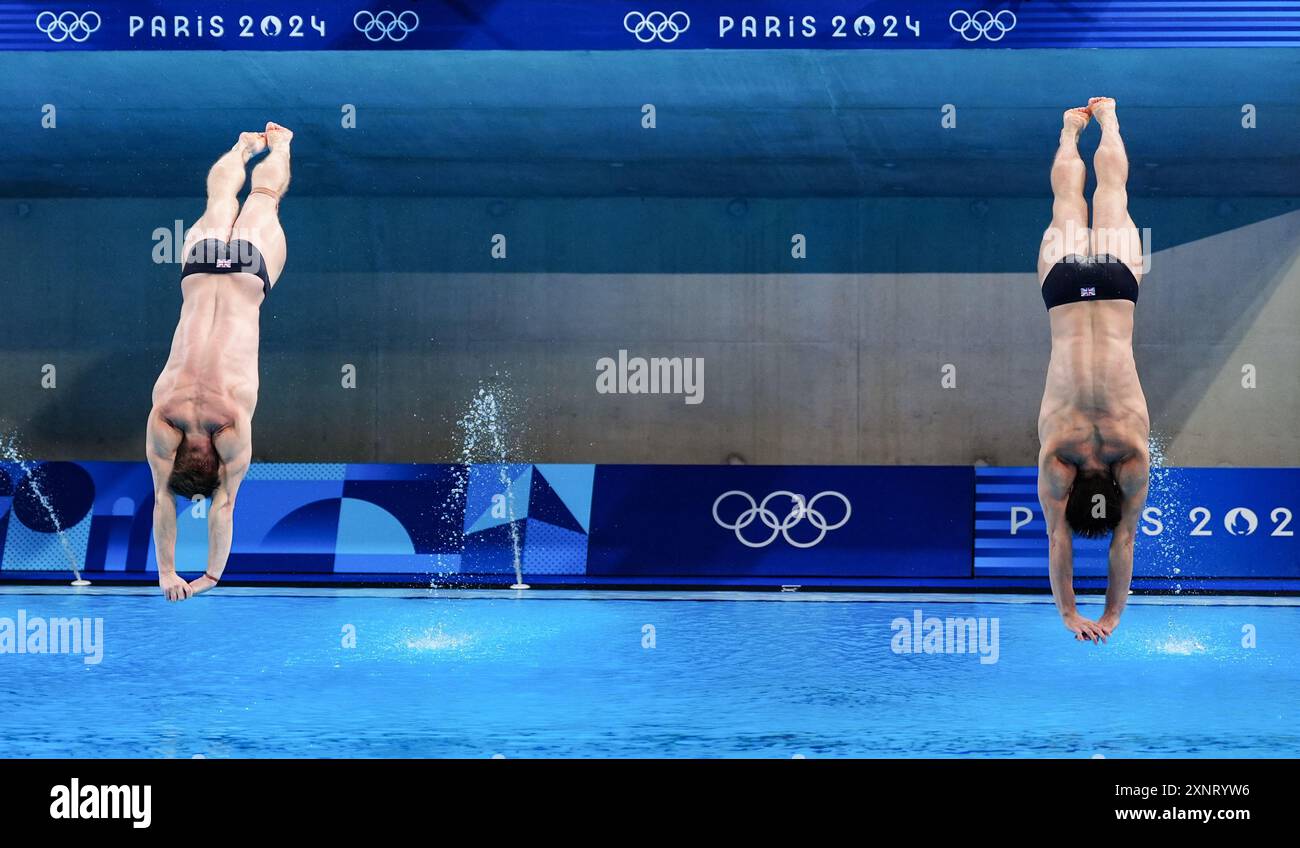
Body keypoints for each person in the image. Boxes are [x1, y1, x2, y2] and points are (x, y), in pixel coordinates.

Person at [145, 122, 292, 601]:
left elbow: (222, 506)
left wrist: (209, 576)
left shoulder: (232, 424)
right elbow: (163, 498)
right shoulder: (164, 417)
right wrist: (167, 572)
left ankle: (280, 144)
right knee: (220, 200)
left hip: (249, 275)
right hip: (200, 271)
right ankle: (243, 147)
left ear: (213, 464)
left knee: (264, 198)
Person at [1035, 99, 1149, 643]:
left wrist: (1109, 616)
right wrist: (1069, 614)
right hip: (1063, 288)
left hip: (1118, 286)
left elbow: (1123, 540)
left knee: (1113, 194)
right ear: (1072, 488)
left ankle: (1108, 119)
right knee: (1066, 202)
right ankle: (1069, 130)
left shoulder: (1133, 455)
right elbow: (1058, 540)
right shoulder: (1057, 454)